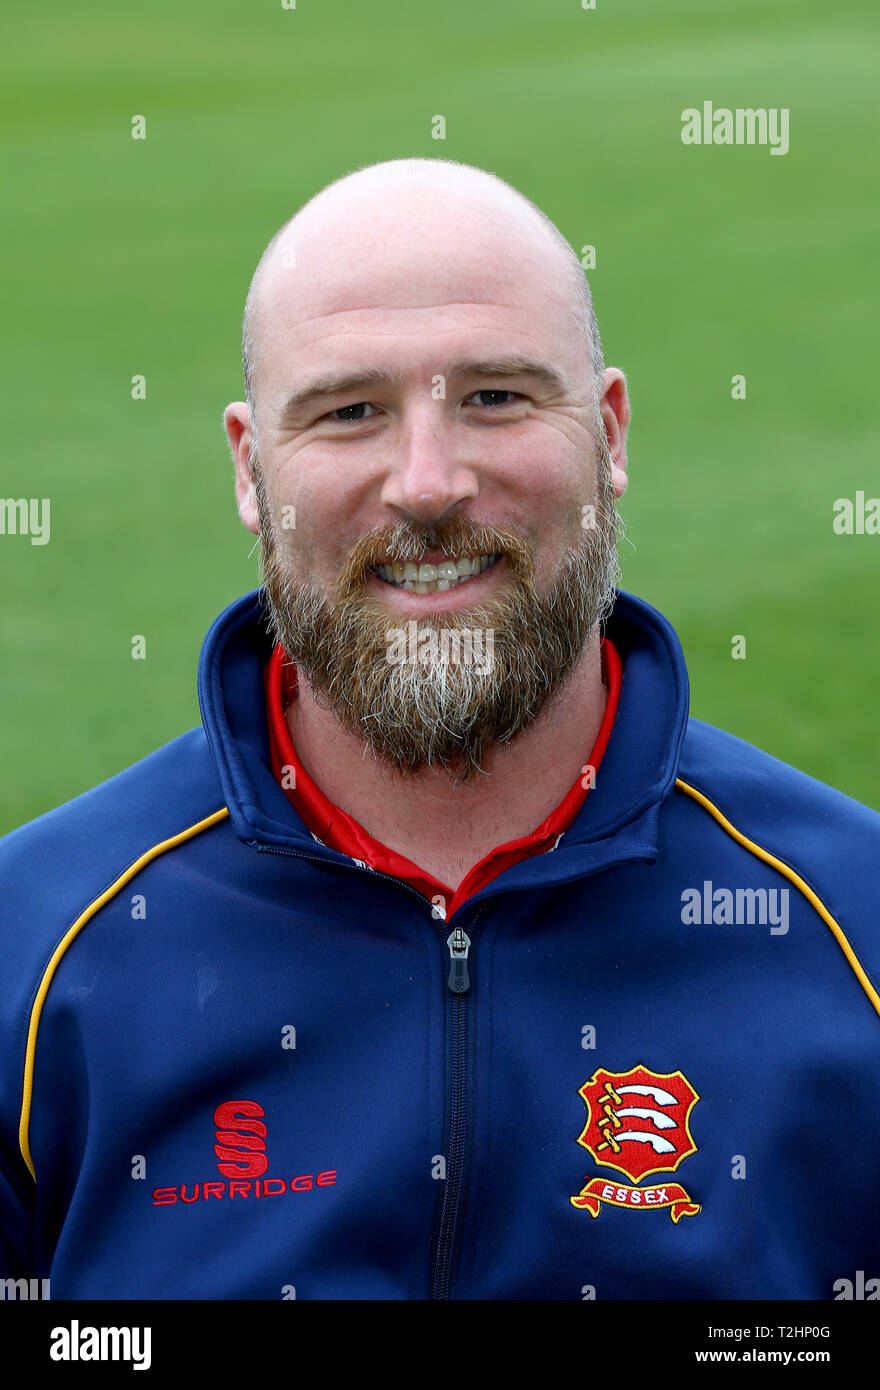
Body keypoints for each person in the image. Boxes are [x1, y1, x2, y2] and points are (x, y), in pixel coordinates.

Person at [1, 157, 878, 1302]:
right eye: (350, 410)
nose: (426, 482)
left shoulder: (851, 928)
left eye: (498, 397)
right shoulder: (32, 955)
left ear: (609, 435)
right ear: (249, 468)